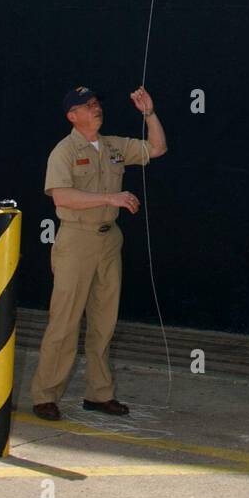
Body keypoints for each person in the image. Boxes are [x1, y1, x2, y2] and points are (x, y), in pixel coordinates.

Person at [31, 85, 168, 421]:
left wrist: (149, 113)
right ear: (72, 116)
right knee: (64, 322)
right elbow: (62, 197)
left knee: (104, 323)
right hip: (77, 241)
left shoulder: (113, 147)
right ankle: (45, 395)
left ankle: (99, 393)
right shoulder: (62, 152)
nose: (95, 109)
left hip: (109, 241)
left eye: (96, 104)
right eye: (87, 105)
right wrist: (111, 198)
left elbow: (158, 148)